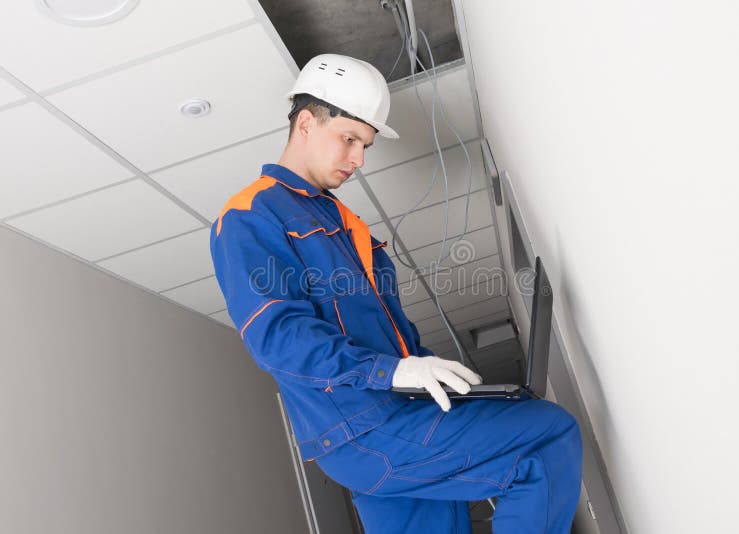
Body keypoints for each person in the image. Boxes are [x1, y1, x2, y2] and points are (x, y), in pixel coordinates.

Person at [210, 53, 582, 533]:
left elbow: (393, 338)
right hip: (365, 428)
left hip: (394, 415)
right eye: (349, 139)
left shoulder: (346, 224)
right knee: (545, 439)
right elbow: (277, 337)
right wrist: (395, 370)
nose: (359, 159)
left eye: (364, 146)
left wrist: (432, 373)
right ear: (306, 122)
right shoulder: (251, 214)